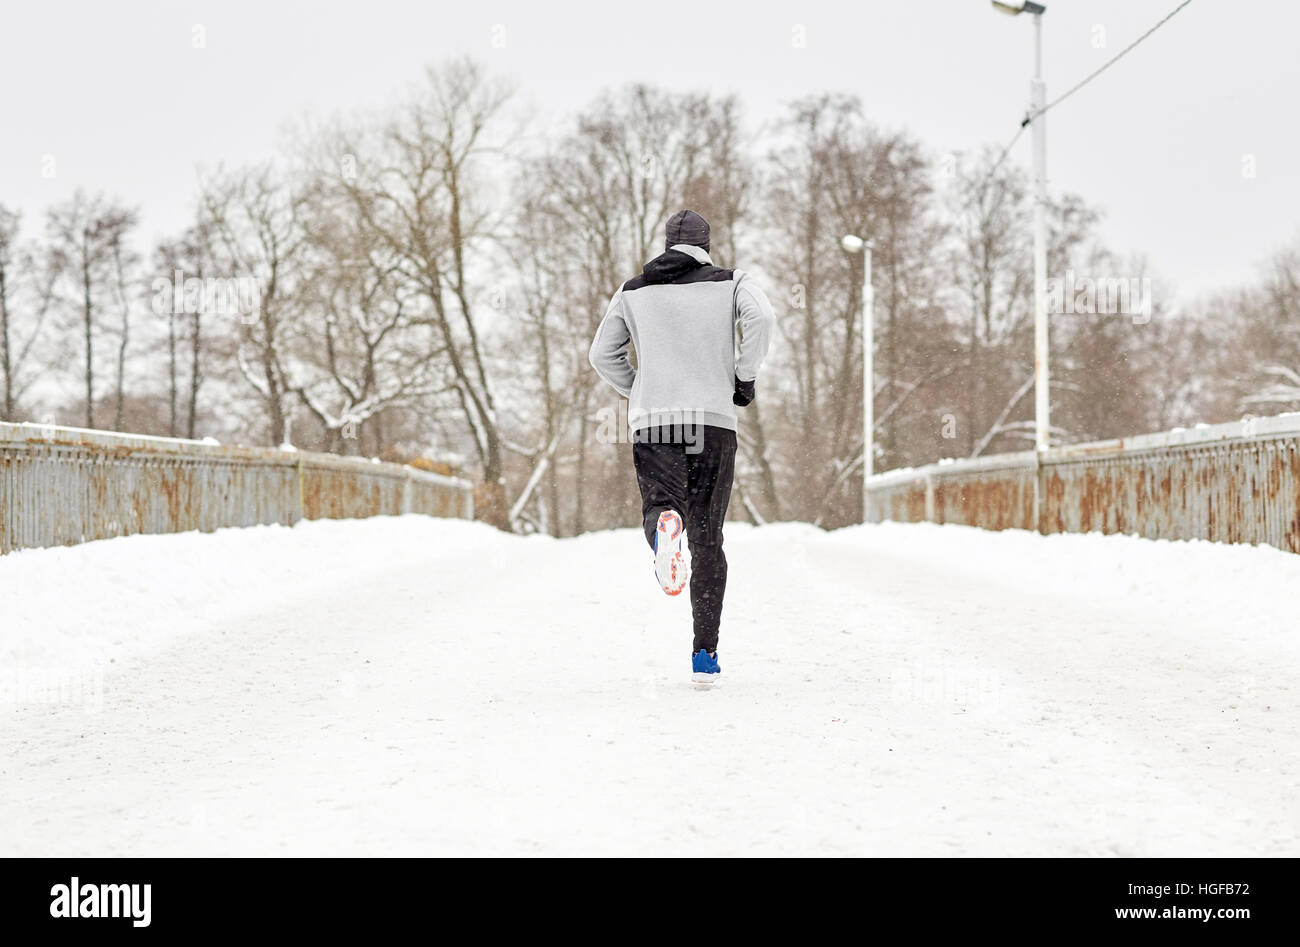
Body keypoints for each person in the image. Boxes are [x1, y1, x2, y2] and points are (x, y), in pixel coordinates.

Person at [589, 209, 774, 683]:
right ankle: (704, 656)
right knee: (708, 537)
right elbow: (762, 316)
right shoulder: (733, 281)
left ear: (667, 245)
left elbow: (601, 354)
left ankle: (664, 528)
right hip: (712, 421)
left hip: (655, 423)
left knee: (660, 506)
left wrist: (640, 390)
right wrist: (743, 377)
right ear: (705, 246)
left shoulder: (634, 290)